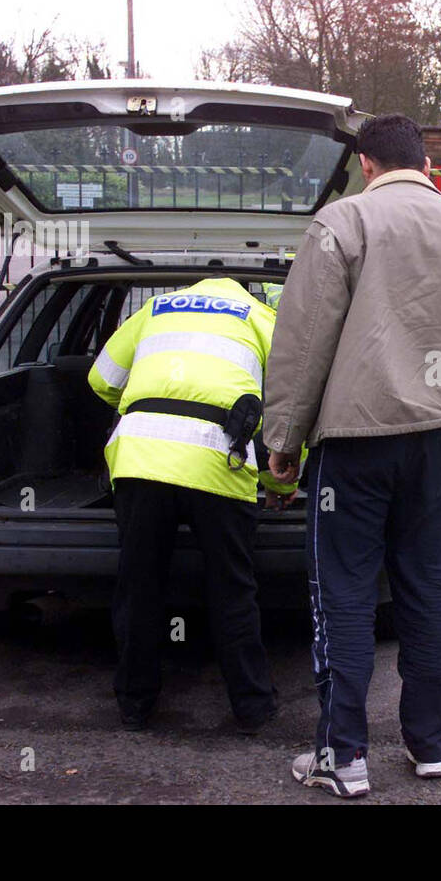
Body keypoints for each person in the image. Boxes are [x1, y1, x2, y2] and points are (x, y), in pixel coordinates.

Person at [262, 113, 441, 799]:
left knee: (343, 595)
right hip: (438, 441)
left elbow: (305, 340)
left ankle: (343, 756)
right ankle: (431, 746)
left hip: (354, 443)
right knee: (429, 588)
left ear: (366, 165)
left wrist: (284, 437)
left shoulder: (342, 223)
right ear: (424, 162)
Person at [88, 275, 294, 733]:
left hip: (141, 459)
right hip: (218, 461)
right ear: (244, 290)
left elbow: (99, 379)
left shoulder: (156, 309)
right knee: (233, 589)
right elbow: (285, 406)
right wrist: (277, 484)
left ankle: (135, 705)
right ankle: (252, 708)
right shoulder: (261, 317)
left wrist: (143, 403)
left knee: (139, 585)